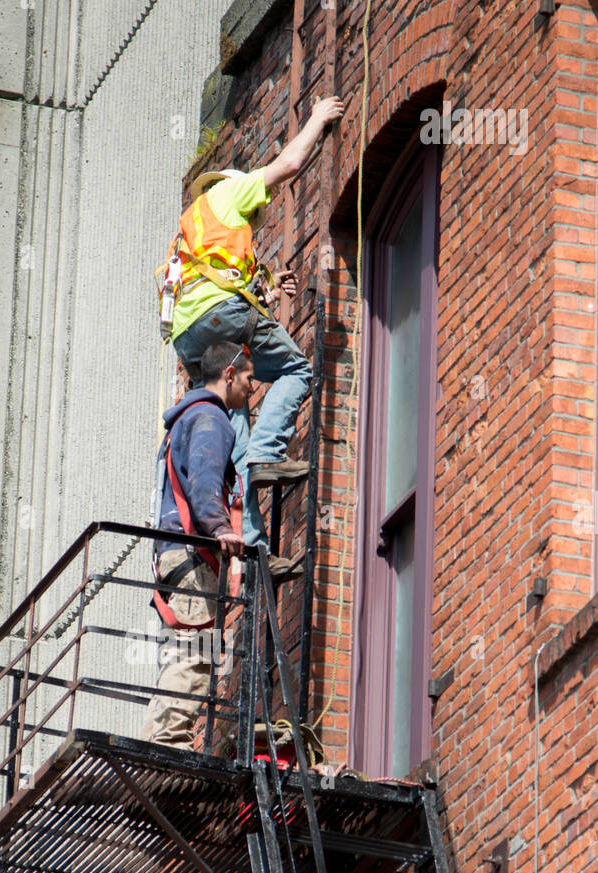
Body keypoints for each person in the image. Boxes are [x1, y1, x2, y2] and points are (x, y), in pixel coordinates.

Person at [166, 95, 345, 576]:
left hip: (189, 340)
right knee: (296, 368)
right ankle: (269, 454)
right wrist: (317, 119)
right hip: (218, 317)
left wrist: (267, 290)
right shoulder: (233, 191)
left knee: (234, 424)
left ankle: (254, 546)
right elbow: (288, 162)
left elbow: (222, 283)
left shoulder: (193, 230)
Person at [142, 341, 253, 749]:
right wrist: (220, 528)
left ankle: (156, 740)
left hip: (172, 554)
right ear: (228, 374)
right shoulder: (211, 418)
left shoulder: (185, 419)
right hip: (191, 553)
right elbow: (205, 480)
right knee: (195, 651)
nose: (251, 388)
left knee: (181, 651)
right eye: (247, 378)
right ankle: (168, 743)